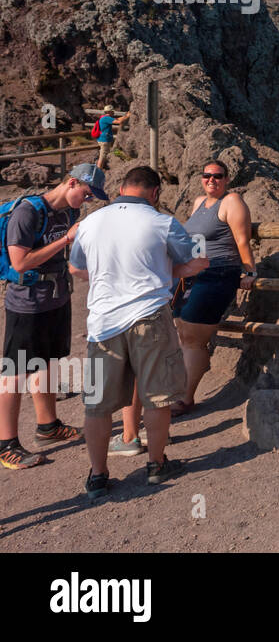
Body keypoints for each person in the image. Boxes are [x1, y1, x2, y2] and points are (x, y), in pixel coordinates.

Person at [69, 166, 209, 499]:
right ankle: (156, 465)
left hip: (102, 323)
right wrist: (162, 271)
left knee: (97, 404)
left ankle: (98, 475)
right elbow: (196, 263)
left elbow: (75, 267)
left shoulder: (89, 223)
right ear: (155, 192)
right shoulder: (163, 222)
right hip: (150, 317)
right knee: (157, 397)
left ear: (121, 188)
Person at [114, 160, 253, 453]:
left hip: (218, 273)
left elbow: (242, 239)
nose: (211, 180)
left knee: (191, 335)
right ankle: (181, 394)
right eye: (207, 176)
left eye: (217, 176)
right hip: (192, 275)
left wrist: (249, 270)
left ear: (227, 179)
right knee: (181, 333)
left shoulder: (232, 202)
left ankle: (185, 398)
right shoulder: (200, 202)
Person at [0, 163, 106, 469]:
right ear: (72, 183)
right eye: (86, 194)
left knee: (48, 360)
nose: (87, 202)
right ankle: (6, 443)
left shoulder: (69, 213)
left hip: (57, 297)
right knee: (15, 371)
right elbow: (20, 263)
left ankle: (48, 426)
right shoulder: (28, 212)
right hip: (27, 302)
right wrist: (65, 240)